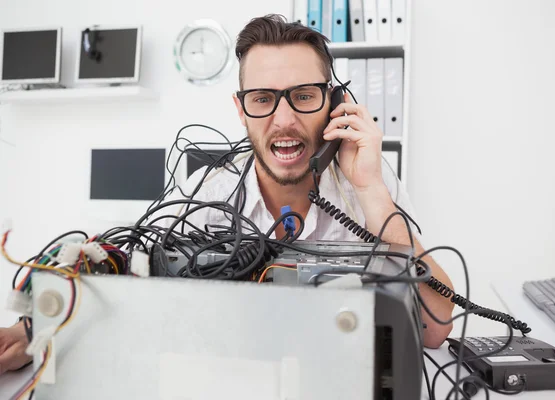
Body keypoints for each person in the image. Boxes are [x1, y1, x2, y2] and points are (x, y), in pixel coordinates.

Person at [0, 14, 454, 375]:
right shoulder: (205, 194)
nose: (283, 119)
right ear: (241, 109)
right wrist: (35, 327)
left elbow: (435, 330)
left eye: (303, 95)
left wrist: (371, 192)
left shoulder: (369, 181)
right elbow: (136, 286)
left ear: (333, 103)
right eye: (262, 98)